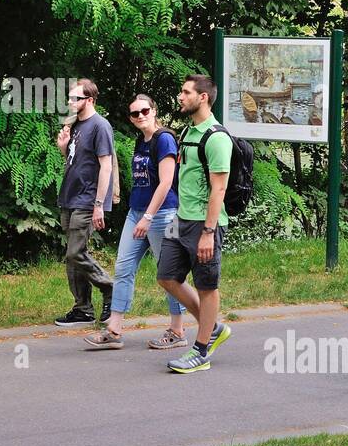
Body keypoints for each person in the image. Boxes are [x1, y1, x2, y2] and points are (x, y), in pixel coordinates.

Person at [84, 94, 188, 350]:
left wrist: (149, 217)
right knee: (123, 267)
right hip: (136, 213)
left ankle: (177, 330)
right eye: (134, 114)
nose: (140, 116)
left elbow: (166, 183)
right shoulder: (140, 141)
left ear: (154, 110)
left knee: (169, 273)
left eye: (144, 111)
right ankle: (114, 330)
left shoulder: (164, 140)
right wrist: (140, 215)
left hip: (162, 214)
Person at [156, 75, 233, 373]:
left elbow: (219, 189)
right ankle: (211, 326)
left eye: (186, 92)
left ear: (203, 97)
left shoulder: (216, 138)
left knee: (206, 286)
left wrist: (208, 233)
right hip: (180, 218)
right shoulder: (188, 131)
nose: (180, 96)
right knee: (166, 276)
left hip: (205, 224)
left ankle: (201, 352)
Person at [53, 78, 116, 327]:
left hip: (87, 199)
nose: (70, 102)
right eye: (70, 98)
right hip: (69, 196)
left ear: (89, 100)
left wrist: (99, 204)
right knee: (72, 257)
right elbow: (75, 161)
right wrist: (63, 147)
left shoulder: (100, 126)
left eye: (75, 98)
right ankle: (83, 309)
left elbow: (106, 165)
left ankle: (111, 288)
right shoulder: (76, 125)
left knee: (75, 251)